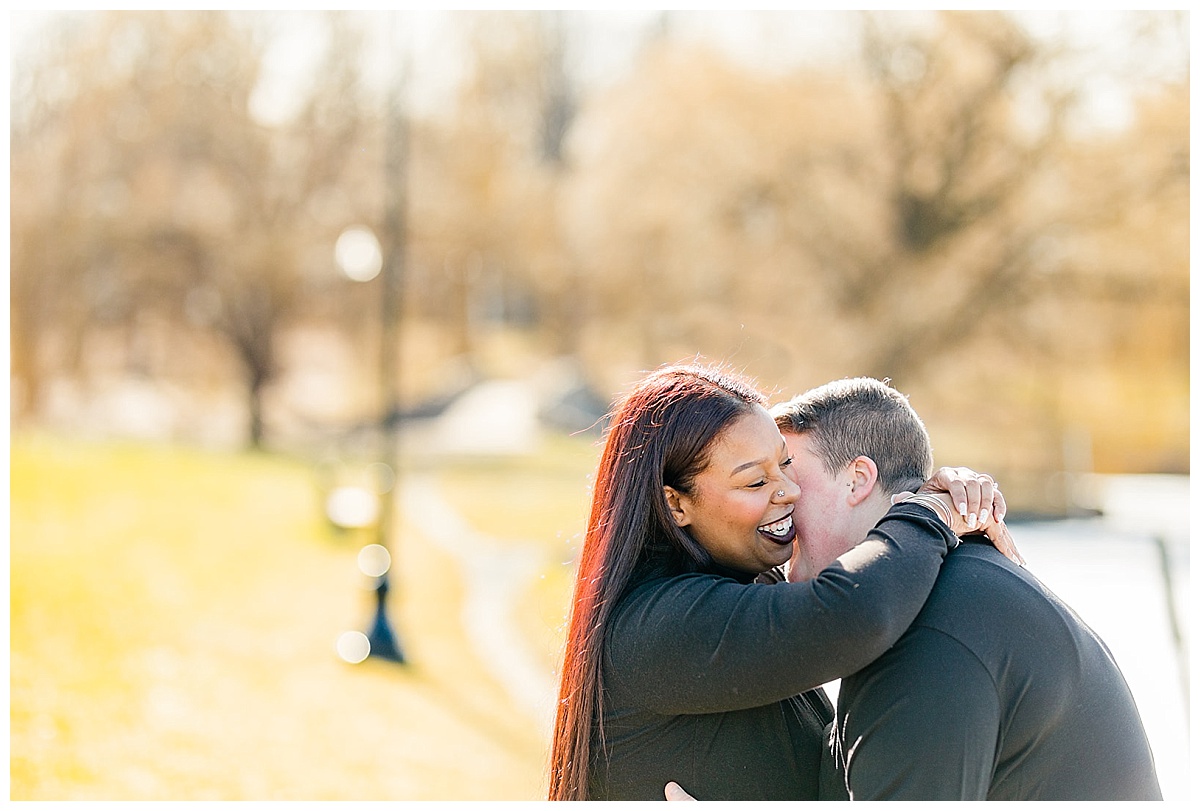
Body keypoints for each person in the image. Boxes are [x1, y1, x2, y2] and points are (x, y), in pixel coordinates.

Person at [547, 362, 1014, 801]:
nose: (789, 491)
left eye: (786, 464)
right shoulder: (660, 627)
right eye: (755, 482)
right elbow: (855, 614)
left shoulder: (751, 594)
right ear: (676, 504)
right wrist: (930, 510)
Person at [769, 377, 1162, 801]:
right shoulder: (957, 584)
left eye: (791, 480)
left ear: (857, 480)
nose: (778, 503)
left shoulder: (928, 630)